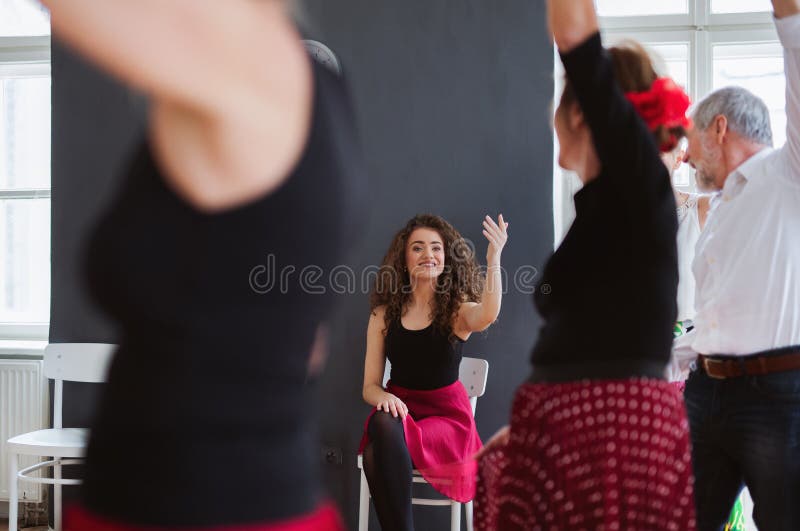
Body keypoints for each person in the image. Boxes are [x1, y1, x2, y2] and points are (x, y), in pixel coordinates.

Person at [42, 2, 365, 530]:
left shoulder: (244, 62)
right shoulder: (314, 82)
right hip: (217, 495)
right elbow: (309, 342)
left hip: (195, 506)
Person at [474, 1, 697, 529]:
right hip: (575, 418)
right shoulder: (608, 205)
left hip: (606, 424)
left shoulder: (639, 180)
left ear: (582, 112)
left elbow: (576, 34)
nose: (555, 148)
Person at [681, 0, 800, 529]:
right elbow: (717, 315)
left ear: (720, 128)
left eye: (689, 139)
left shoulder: (787, 173)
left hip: (776, 393)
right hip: (706, 392)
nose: (685, 155)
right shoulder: (722, 207)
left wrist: (789, 17)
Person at [359, 213, 508, 531]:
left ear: (446, 257)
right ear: (403, 258)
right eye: (417, 248)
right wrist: (384, 395)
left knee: (375, 454)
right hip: (400, 415)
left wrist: (493, 259)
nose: (428, 254)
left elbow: (488, 314)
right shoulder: (383, 316)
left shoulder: (457, 310)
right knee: (383, 423)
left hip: (447, 421)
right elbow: (369, 387)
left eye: (436, 248)